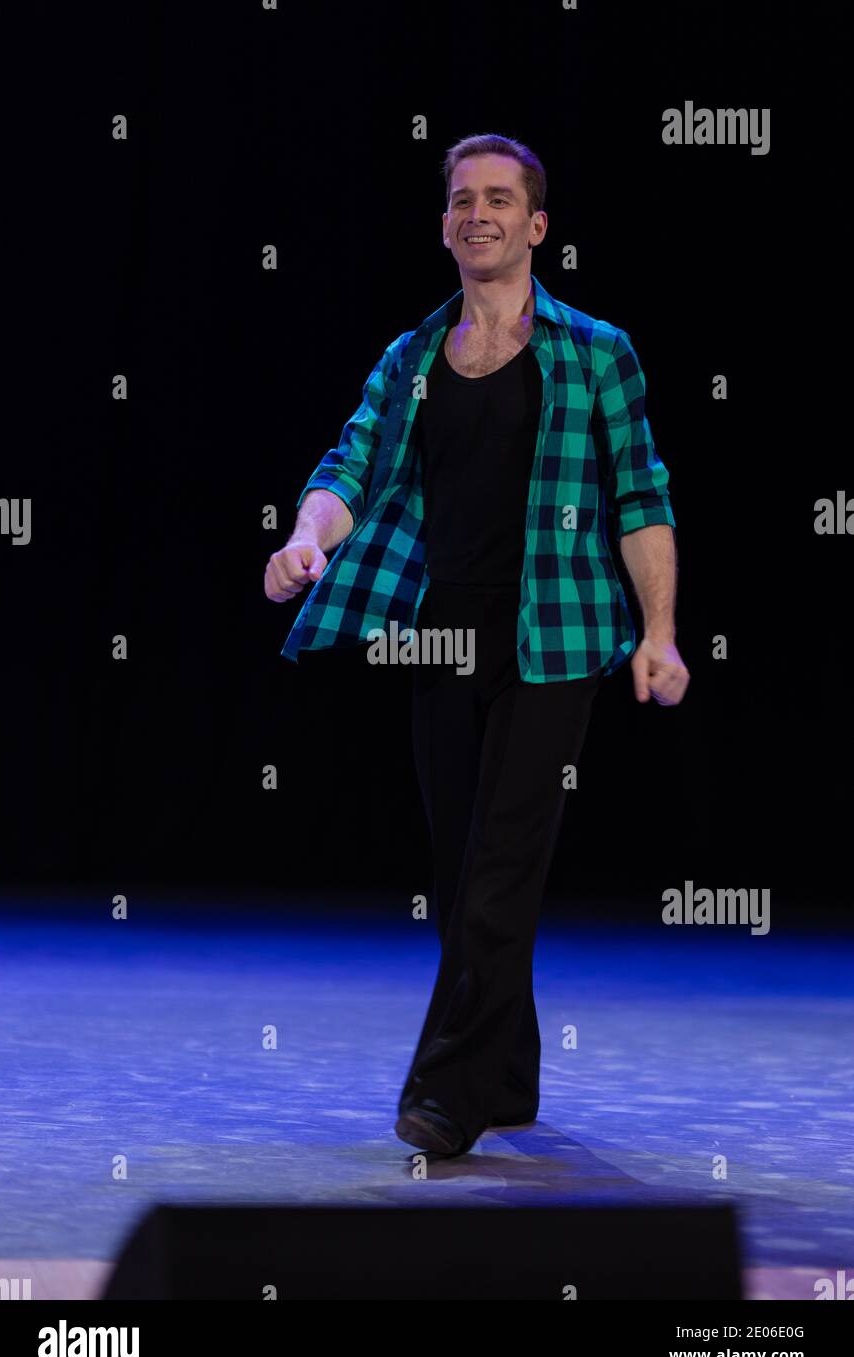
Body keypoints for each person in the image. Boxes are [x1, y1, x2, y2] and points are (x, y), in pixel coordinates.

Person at [265, 132, 690, 1158]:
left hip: (555, 628)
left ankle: (445, 1095)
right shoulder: (412, 360)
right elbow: (347, 468)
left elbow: (641, 498)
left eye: (498, 198)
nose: (477, 213)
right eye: (460, 199)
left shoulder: (595, 351)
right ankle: (508, 1071)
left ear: (535, 226)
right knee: (464, 870)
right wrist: (302, 538)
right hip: (437, 632)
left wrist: (661, 632)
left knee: (502, 862)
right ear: (445, 224)